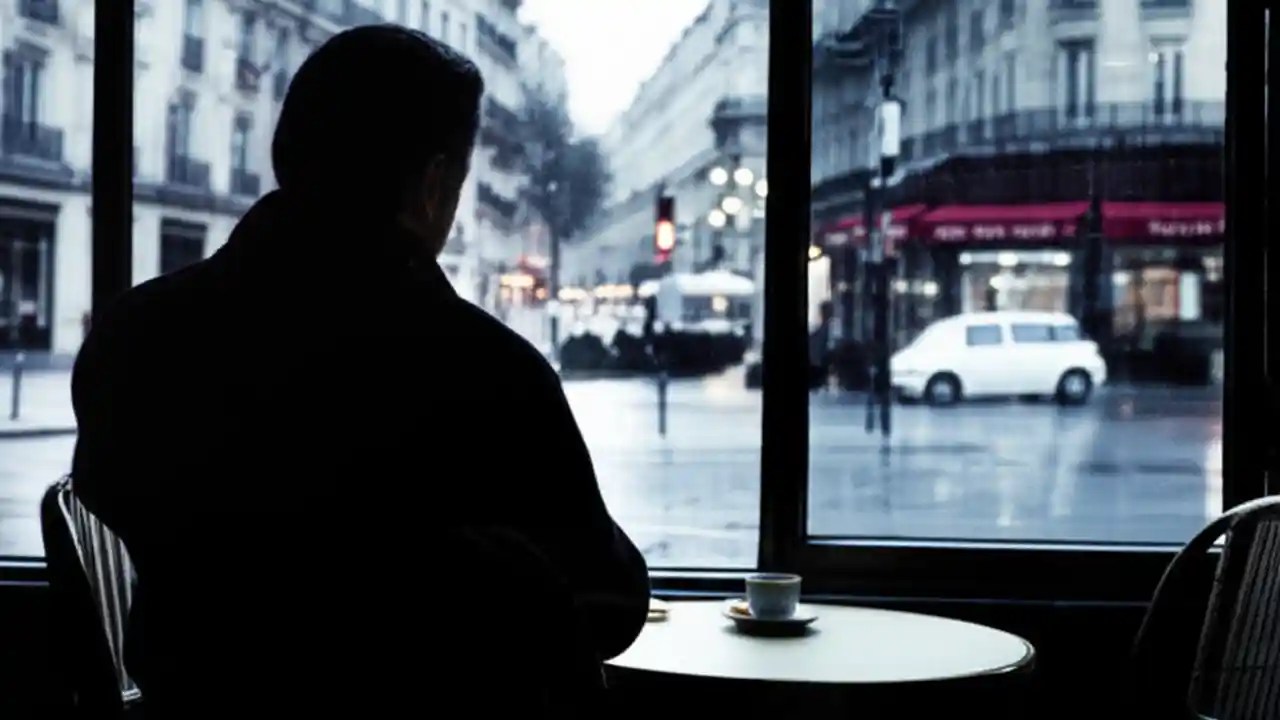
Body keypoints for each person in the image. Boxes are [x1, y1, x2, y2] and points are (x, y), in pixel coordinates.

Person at [70, 26, 649, 716]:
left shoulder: (135, 333)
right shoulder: (489, 372)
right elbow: (609, 601)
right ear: (434, 186)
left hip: (201, 712)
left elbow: (109, 496)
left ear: (288, 150)